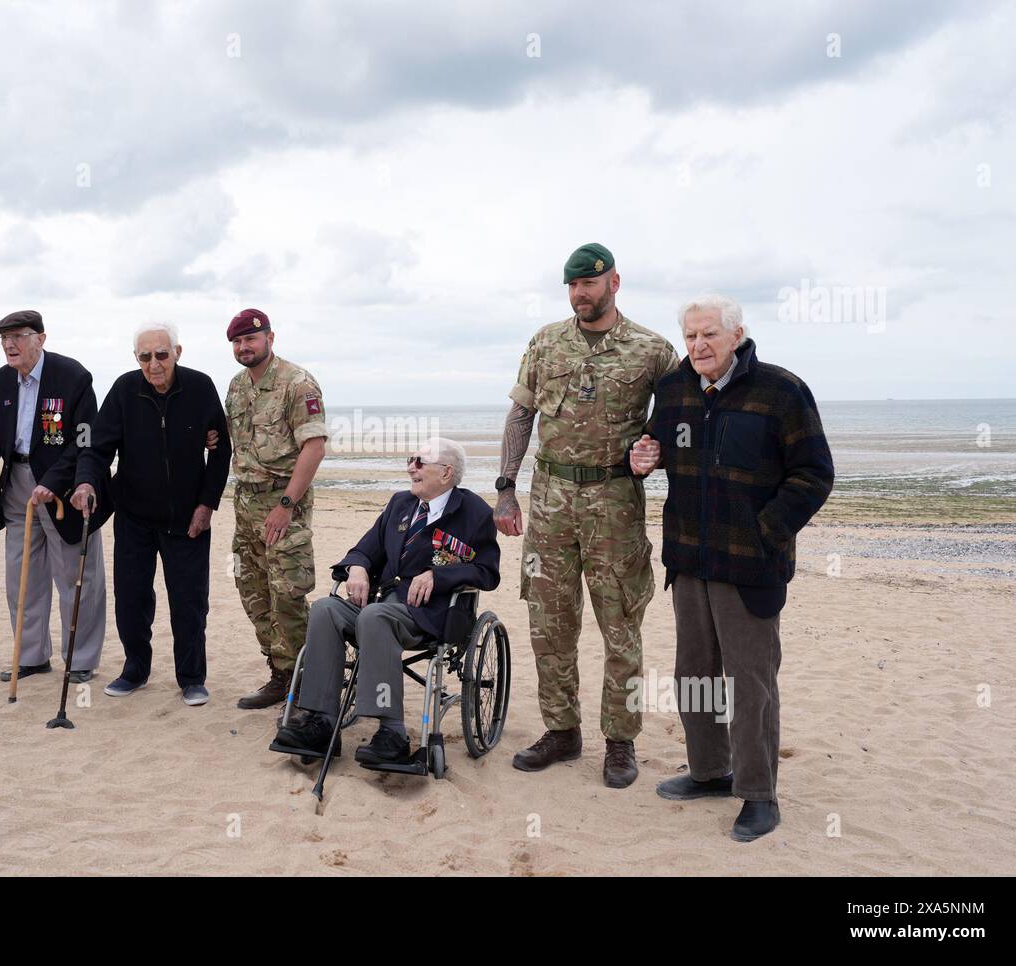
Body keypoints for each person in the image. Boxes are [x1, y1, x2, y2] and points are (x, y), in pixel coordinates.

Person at [630, 294, 833, 841]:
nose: (697, 346)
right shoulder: (673, 389)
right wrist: (642, 457)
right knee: (694, 676)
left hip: (751, 566)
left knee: (751, 684)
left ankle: (759, 795)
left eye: (709, 335)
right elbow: (655, 445)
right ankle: (708, 772)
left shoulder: (781, 390)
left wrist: (765, 532)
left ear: (737, 335)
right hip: (689, 559)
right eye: (690, 336)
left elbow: (814, 474)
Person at [494, 243, 679, 786]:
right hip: (550, 498)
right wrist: (506, 489)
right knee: (549, 625)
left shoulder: (652, 350)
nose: (580, 294)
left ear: (613, 283)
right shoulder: (546, 341)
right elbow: (520, 413)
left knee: (620, 624)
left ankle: (620, 742)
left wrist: (657, 449)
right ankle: (562, 731)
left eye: (589, 285)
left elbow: (679, 419)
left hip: (615, 502)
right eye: (572, 286)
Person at [275, 438, 500, 765]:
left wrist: (440, 576)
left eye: (420, 462)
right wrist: (358, 568)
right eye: (411, 460)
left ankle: (392, 732)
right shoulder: (400, 504)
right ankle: (321, 722)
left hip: (430, 614)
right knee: (325, 609)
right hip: (381, 602)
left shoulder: (475, 513)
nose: (410, 467)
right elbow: (365, 549)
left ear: (446, 472)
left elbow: (487, 572)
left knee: (374, 618)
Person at [72, 322, 230, 706]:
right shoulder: (125, 390)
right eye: (145, 356)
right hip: (134, 517)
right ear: (136, 358)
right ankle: (135, 670)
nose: (154, 363)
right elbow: (96, 447)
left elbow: (220, 450)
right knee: (131, 599)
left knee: (189, 601)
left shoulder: (200, 387)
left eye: (161, 354)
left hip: (187, 520)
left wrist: (207, 504)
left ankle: (192, 677)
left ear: (177, 352)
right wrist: (87, 482)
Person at [0, 309, 110, 687]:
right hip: (17, 488)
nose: (10, 345)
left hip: (65, 489)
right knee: (22, 577)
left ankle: (80, 659)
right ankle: (30, 656)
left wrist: (54, 480)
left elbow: (84, 439)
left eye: (19, 336)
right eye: (4, 338)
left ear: (40, 338)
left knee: (77, 577)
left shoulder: (72, 376)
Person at [225, 308, 328, 709]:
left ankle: (303, 682)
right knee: (252, 589)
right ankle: (280, 673)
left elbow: (314, 447)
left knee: (287, 592)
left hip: (284, 502)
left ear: (270, 337)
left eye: (250, 339)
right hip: (245, 502)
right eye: (236, 342)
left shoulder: (297, 384)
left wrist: (287, 504)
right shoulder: (236, 387)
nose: (243, 347)